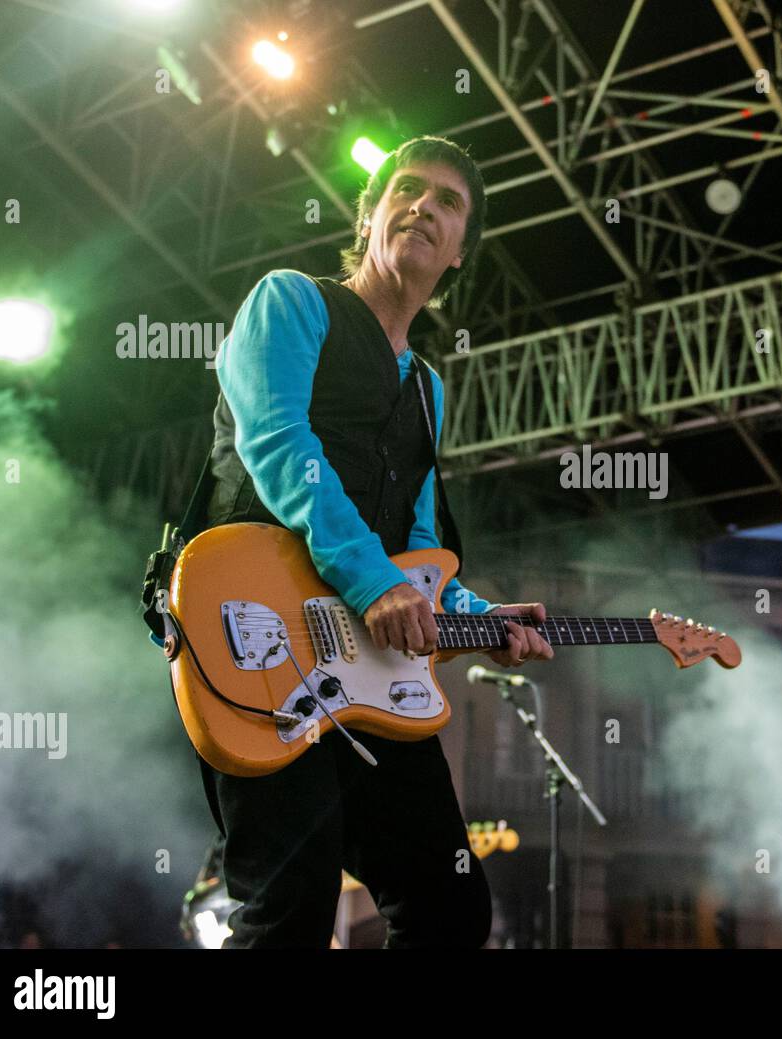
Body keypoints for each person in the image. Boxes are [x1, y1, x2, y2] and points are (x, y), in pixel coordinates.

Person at [191, 135, 553, 948]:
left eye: (449, 203)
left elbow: (416, 547)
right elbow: (281, 444)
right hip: (253, 639)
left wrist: (478, 616)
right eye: (408, 189)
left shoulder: (429, 388)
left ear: (460, 254)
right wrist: (370, 581)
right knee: (288, 909)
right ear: (369, 214)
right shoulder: (290, 301)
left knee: (451, 909)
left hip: (367, 678)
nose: (425, 205)